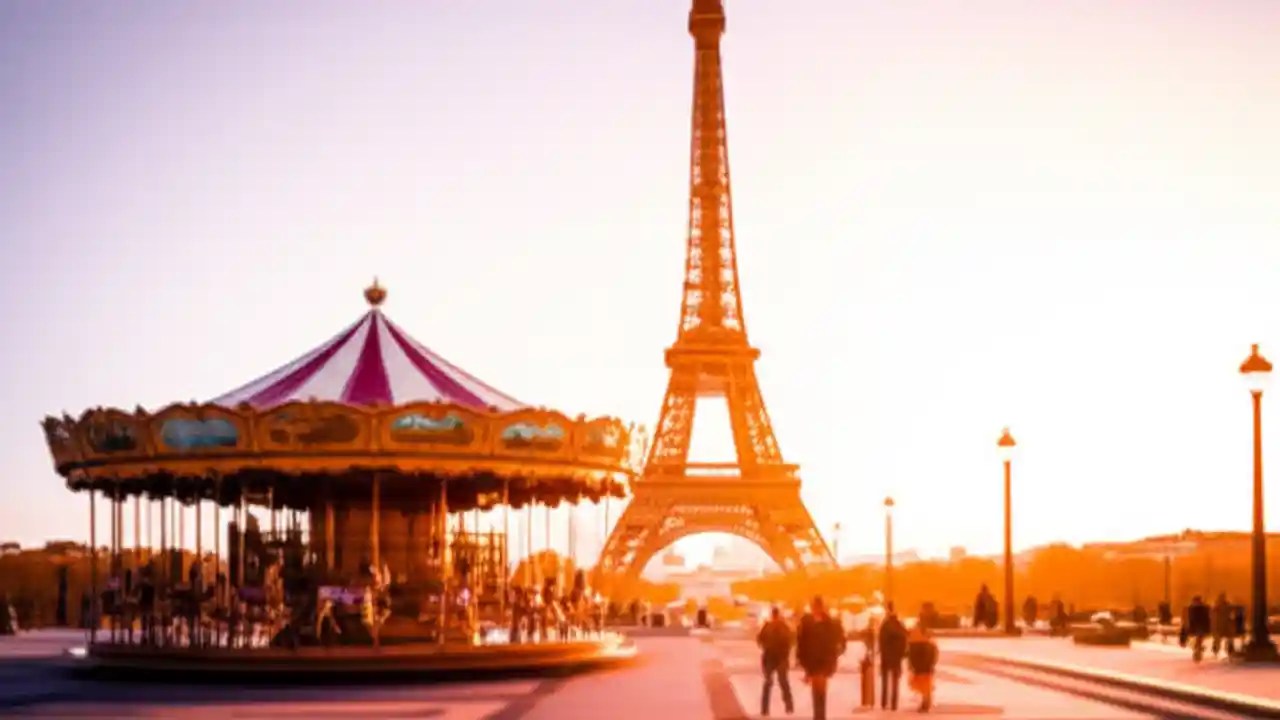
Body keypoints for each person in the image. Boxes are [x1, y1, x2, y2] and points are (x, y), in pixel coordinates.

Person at [795, 596, 845, 720]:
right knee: (817, 692)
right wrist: (802, 660)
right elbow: (801, 643)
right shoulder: (808, 623)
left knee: (820, 692)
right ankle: (819, 716)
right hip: (814, 662)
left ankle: (819, 716)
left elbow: (840, 641)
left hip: (823, 662)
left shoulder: (829, 624)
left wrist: (835, 654)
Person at [757, 606, 794, 716]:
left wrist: (765, 646)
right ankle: (789, 706)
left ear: (772, 615)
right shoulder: (784, 626)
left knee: (768, 683)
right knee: (783, 682)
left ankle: (765, 709)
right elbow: (790, 640)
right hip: (781, 657)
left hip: (770, 657)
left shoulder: (767, 626)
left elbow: (759, 639)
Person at [878, 603, 909, 711]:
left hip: (886, 656)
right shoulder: (900, 626)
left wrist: (882, 652)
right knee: (895, 681)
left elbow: (881, 641)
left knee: (885, 681)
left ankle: (884, 702)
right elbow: (905, 639)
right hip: (896, 657)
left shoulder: (884, 625)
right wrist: (902, 653)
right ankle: (894, 704)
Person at [907, 620, 939, 712]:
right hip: (927, 668)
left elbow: (912, 656)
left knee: (923, 688)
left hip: (920, 668)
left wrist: (912, 666)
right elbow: (934, 656)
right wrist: (932, 664)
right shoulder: (930, 644)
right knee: (926, 688)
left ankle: (925, 704)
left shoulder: (914, 643)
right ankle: (926, 704)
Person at [1182, 595, 1211, 662]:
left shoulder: (1192, 608)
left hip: (1198, 628)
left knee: (1198, 635)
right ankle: (1185, 642)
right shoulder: (1203, 608)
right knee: (1199, 635)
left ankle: (1184, 642)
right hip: (1199, 628)